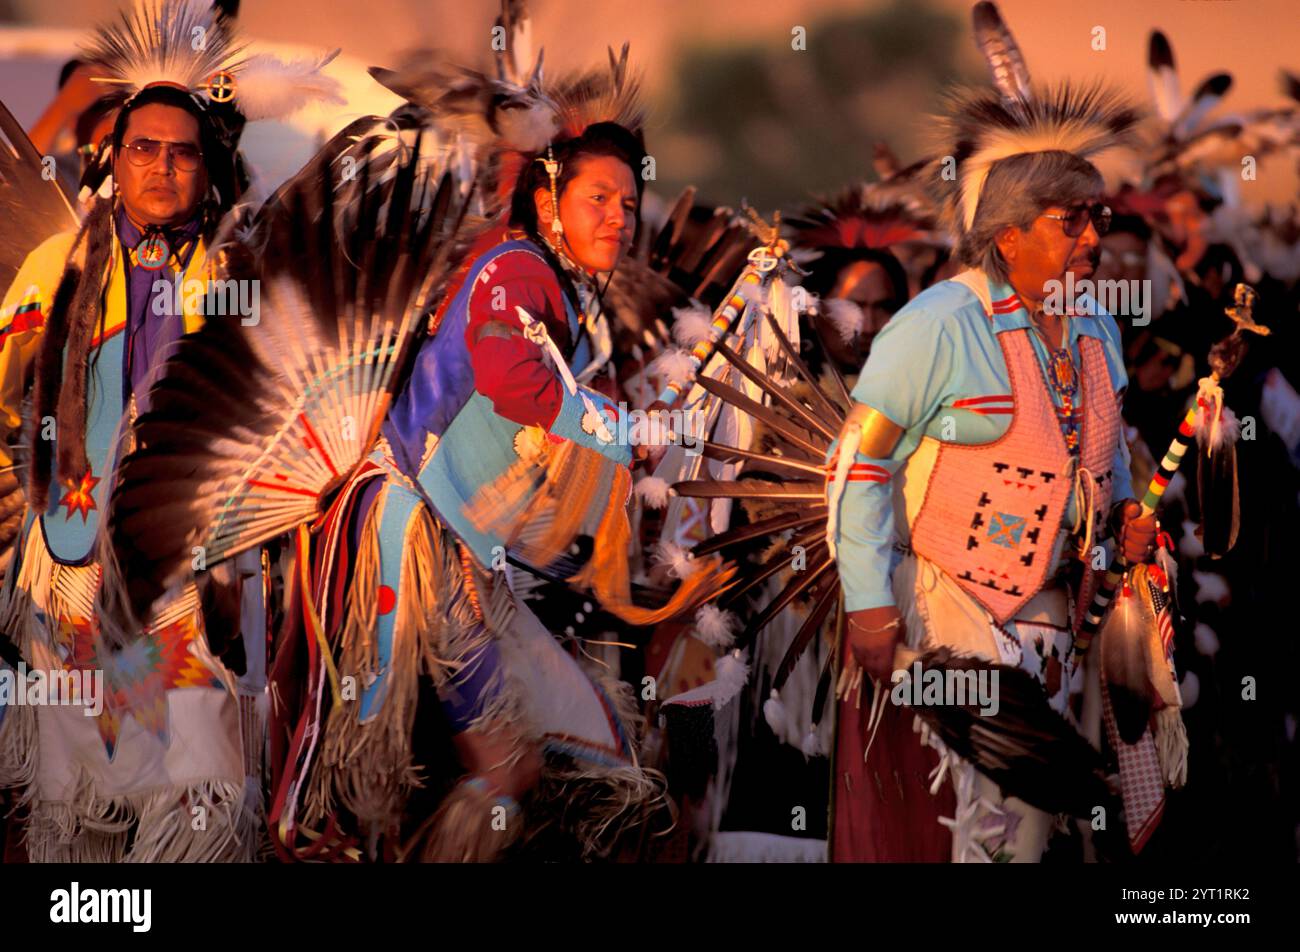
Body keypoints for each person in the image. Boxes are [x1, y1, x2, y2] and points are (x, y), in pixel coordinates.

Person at [0, 0, 337, 861]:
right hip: (72, 571)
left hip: (200, 578)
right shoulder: (58, 266)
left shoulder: (237, 275)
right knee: (77, 815)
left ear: (206, 166)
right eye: (142, 149)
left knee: (202, 793)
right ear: (114, 159)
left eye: (180, 153)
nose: (161, 168)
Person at [826, 2, 1160, 861]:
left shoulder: (1096, 330)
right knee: (1001, 829)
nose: (1091, 239)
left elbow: (1107, 463)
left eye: (1097, 219)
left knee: (1053, 835)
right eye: (1068, 221)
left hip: (1060, 622)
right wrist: (867, 605)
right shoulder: (939, 325)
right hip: (951, 616)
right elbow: (859, 469)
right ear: (1008, 236)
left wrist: (1125, 516)